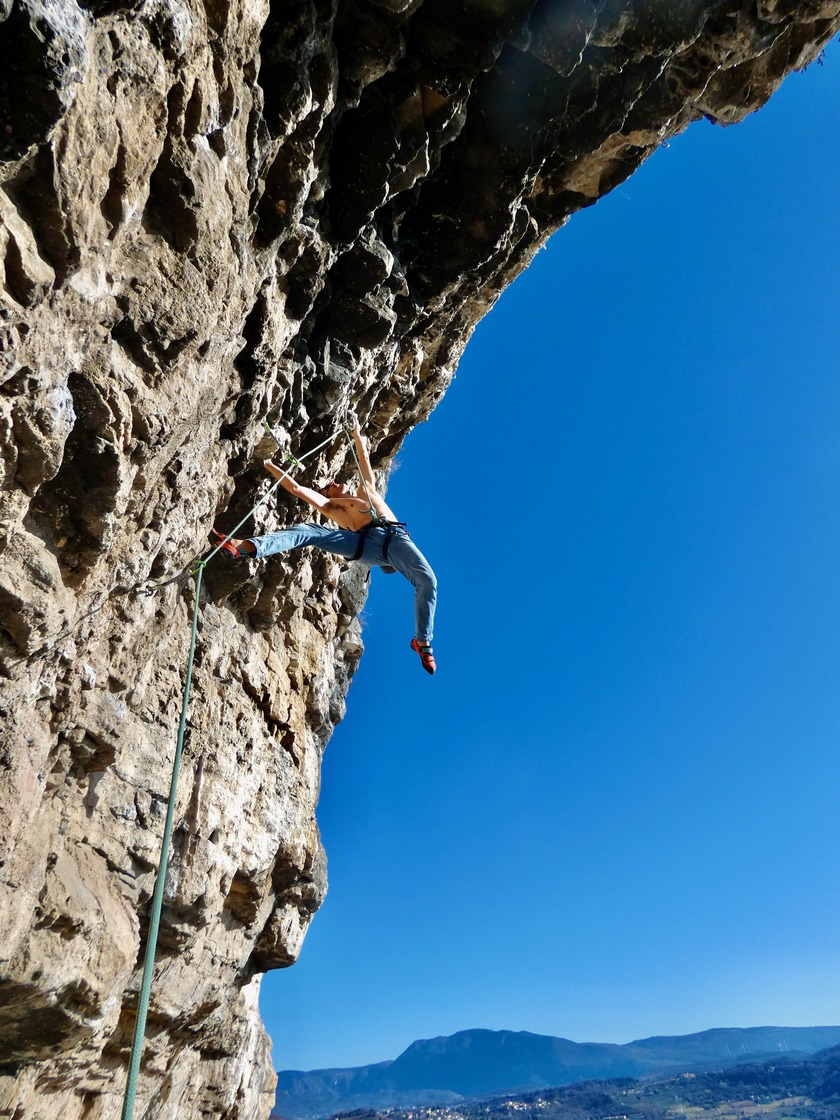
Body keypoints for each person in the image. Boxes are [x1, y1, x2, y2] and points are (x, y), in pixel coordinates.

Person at [214, 417, 437, 675]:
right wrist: (270, 465)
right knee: (308, 532)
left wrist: (356, 432)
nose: (334, 484)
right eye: (330, 486)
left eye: (334, 483)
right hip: (364, 544)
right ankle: (245, 547)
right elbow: (297, 488)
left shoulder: (367, 492)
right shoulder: (334, 509)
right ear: (330, 494)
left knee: (428, 581)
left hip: (395, 539)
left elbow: (363, 460)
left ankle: (422, 640)